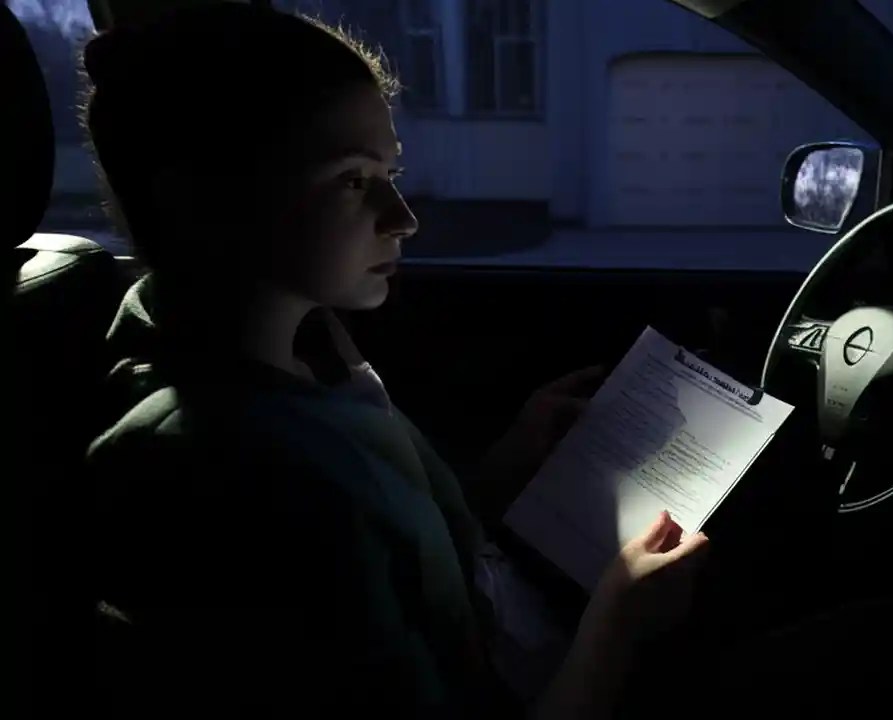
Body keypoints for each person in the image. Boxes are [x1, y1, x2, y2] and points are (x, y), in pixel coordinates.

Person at [82, 5, 708, 717]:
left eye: (390, 170)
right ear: (203, 200)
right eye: (352, 181)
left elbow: (397, 556)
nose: (403, 214)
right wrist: (617, 624)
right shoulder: (228, 474)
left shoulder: (300, 348)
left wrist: (503, 469)